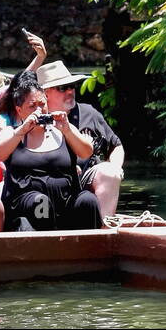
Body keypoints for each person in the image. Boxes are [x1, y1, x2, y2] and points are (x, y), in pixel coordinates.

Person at [0, 73, 100, 231]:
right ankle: (49, 246)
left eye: (42, 104)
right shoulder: (12, 132)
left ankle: (89, 250)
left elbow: (86, 152)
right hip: (27, 207)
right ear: (19, 110)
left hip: (65, 203)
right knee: (40, 202)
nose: (39, 110)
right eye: (32, 106)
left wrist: (68, 129)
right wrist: (23, 130)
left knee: (88, 200)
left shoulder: (63, 130)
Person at [38, 60, 125, 219]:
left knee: (110, 173)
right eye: (63, 88)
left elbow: (116, 146)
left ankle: (103, 230)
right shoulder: (35, 119)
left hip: (85, 180)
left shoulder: (88, 113)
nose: (70, 91)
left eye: (72, 86)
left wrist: (116, 167)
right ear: (45, 93)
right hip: (48, 182)